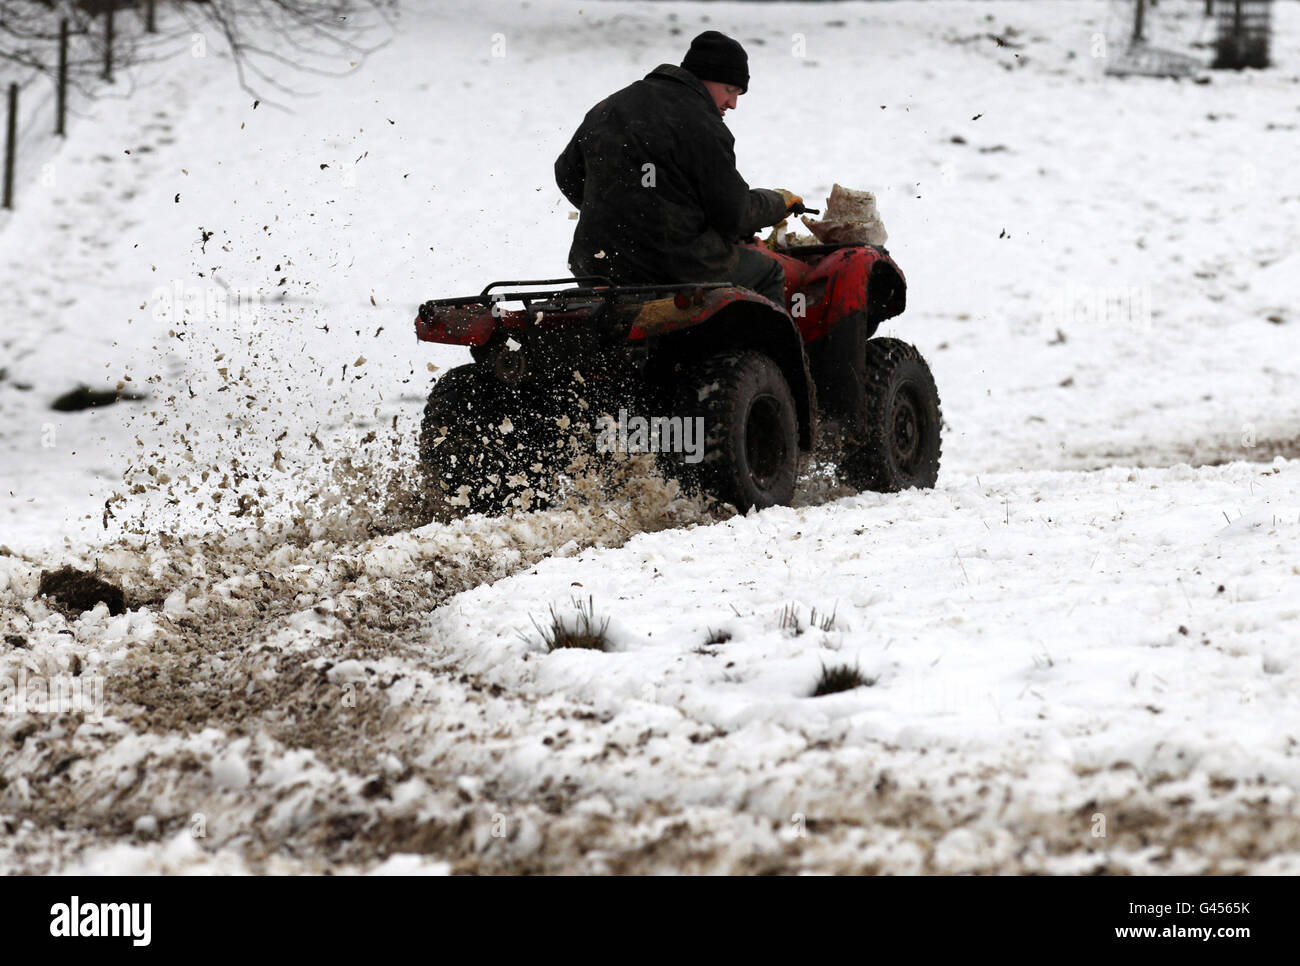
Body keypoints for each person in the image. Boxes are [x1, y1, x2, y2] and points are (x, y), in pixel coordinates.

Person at [554, 30, 803, 307]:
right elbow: (735, 213)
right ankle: (769, 350)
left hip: (596, 261)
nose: (732, 103)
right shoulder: (702, 123)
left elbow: (566, 173)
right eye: (730, 90)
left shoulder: (611, 105)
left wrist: (617, 210)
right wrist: (778, 201)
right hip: (672, 264)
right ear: (704, 76)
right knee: (768, 272)